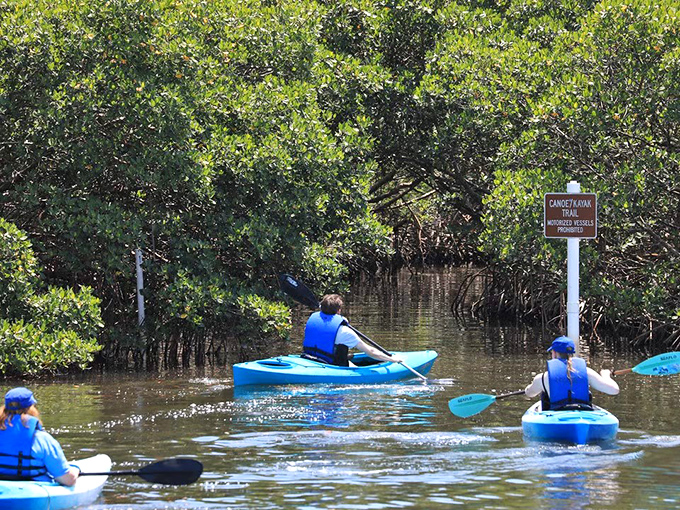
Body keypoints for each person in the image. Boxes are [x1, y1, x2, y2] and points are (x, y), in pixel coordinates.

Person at [0, 387, 80, 485]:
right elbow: (68, 480)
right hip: (32, 494)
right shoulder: (41, 439)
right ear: (31, 409)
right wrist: (76, 470)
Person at [302, 294, 403, 367]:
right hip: (331, 365)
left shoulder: (311, 322)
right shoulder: (345, 331)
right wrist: (392, 359)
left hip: (308, 359)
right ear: (338, 311)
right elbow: (371, 352)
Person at [524, 336, 619, 410]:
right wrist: (606, 375)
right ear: (572, 353)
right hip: (583, 414)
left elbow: (529, 394)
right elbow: (614, 390)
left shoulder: (542, 377)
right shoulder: (587, 372)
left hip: (555, 418)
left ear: (554, 353)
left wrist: (529, 388)